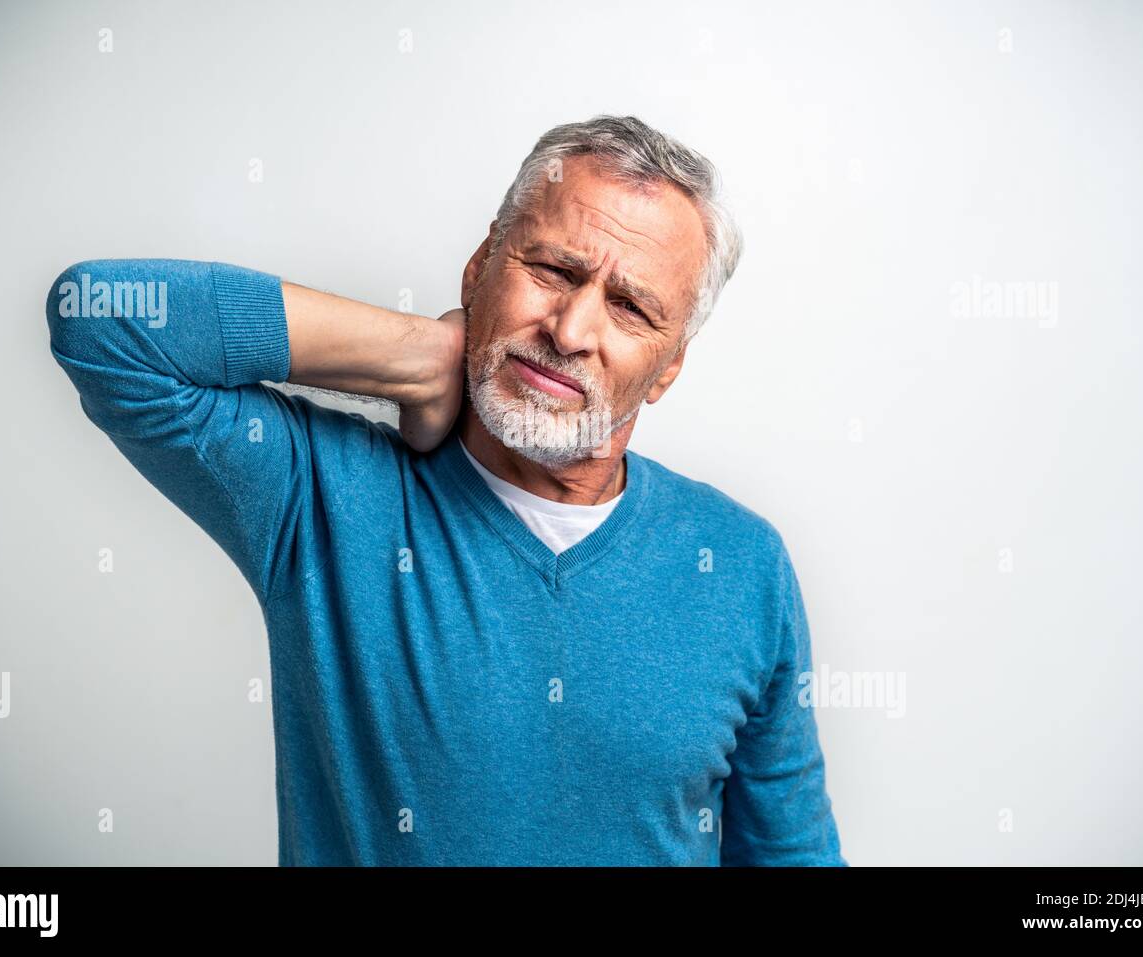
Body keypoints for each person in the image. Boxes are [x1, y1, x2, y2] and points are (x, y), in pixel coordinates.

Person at [44, 114, 846, 866]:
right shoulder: (323, 496)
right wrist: (417, 354)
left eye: (630, 307)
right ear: (480, 267)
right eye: (552, 269)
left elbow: (793, 855)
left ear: (668, 367)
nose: (570, 331)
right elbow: (99, 319)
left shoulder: (740, 563)